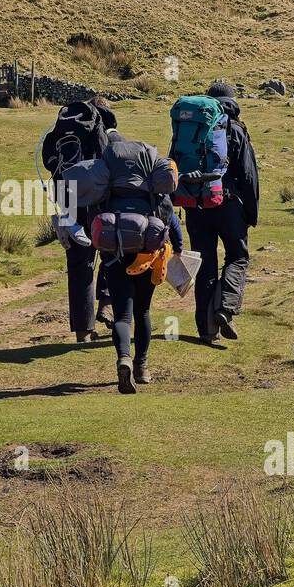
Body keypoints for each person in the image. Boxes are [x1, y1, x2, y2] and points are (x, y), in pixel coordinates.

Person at [69, 136, 180, 394]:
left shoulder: (105, 185)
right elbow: (170, 217)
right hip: (147, 254)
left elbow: (91, 214)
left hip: (114, 253)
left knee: (122, 314)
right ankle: (142, 367)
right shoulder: (153, 188)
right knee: (143, 312)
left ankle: (123, 359)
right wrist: (180, 246)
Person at [184, 81, 259, 343]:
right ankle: (225, 308)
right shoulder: (237, 129)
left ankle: (206, 331)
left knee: (205, 265)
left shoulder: (194, 128)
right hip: (228, 205)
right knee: (237, 256)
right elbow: (248, 176)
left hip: (196, 205)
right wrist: (251, 213)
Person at [42, 98, 116, 342]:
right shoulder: (99, 130)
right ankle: (107, 304)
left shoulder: (63, 127)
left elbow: (47, 159)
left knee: (78, 265)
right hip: (98, 201)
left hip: (68, 201)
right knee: (112, 255)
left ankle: (83, 331)